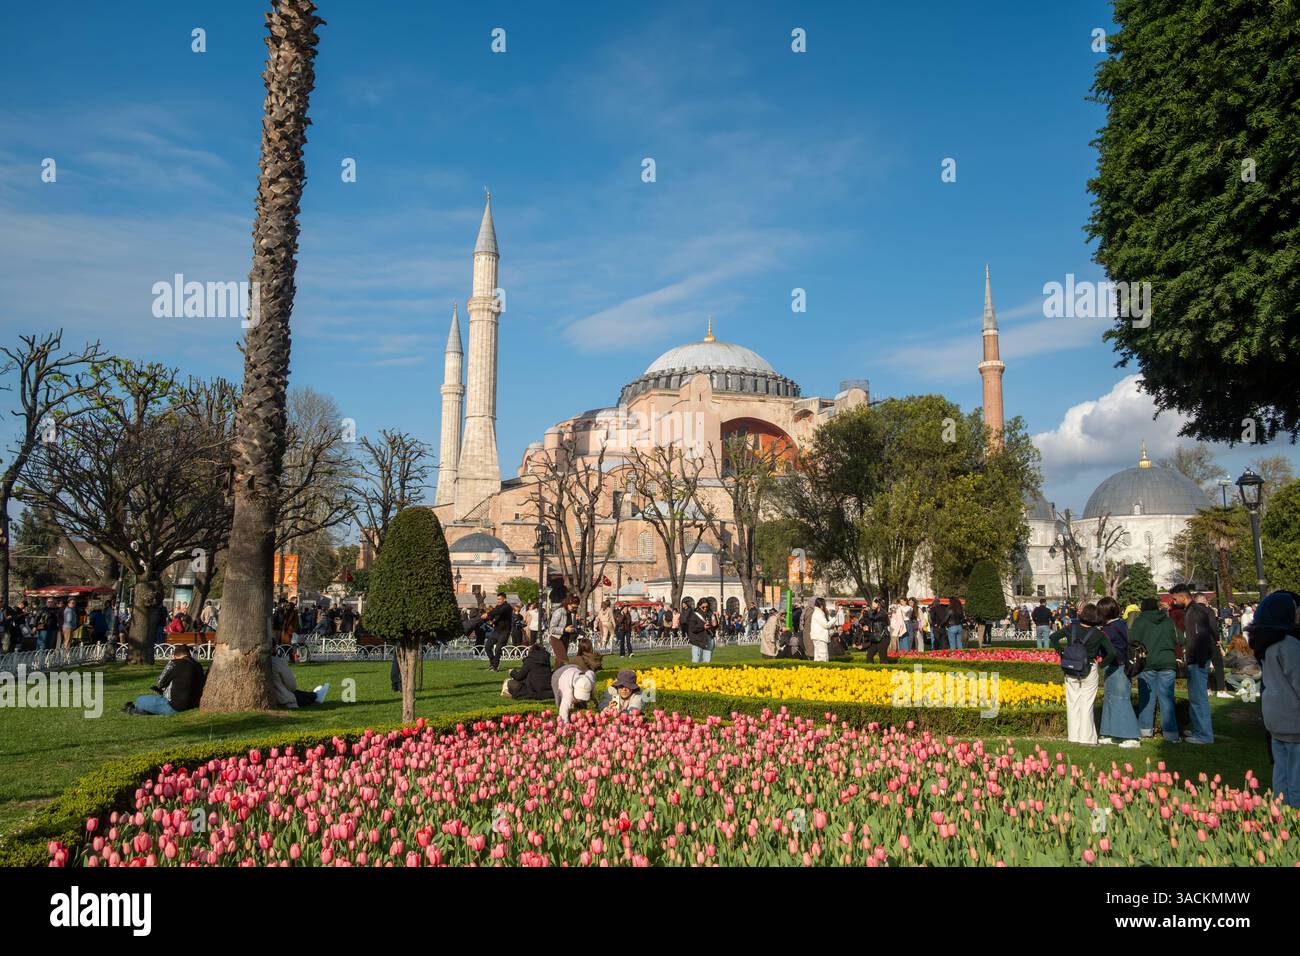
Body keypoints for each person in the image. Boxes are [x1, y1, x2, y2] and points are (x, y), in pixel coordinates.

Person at [1246, 590, 1300, 808]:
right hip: (1292, 715)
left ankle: (1281, 813)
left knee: (1282, 770)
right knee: (1296, 774)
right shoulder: (1288, 645)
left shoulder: (1265, 643)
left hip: (1274, 714)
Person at [1053, 602, 1116, 745]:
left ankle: (1073, 736)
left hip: (1071, 668)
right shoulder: (1098, 634)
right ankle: (1086, 738)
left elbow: (1053, 637)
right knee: (1086, 704)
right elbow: (1112, 652)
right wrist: (1101, 664)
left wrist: (1061, 652)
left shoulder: (1071, 628)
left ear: (1082, 615)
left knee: (1072, 702)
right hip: (1089, 668)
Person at [1129, 596, 1183, 742]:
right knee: (1167, 699)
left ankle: (1145, 730)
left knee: (1147, 698)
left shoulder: (1140, 621)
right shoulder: (1168, 621)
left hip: (1147, 663)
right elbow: (1181, 639)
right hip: (1167, 662)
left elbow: (1132, 641)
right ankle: (1171, 733)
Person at [1171, 584, 1214, 744]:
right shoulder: (1193, 611)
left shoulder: (1194, 612)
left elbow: (1200, 637)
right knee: (1195, 697)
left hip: (1198, 659)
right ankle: (1199, 730)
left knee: (1198, 698)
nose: (1173, 602)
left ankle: (1204, 734)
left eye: (1175, 598)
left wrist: (1197, 658)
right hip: (1196, 658)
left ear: (1182, 596)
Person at [1096, 596, 1141, 748]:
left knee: (1120, 699)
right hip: (1119, 666)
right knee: (1111, 699)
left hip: (1118, 666)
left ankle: (1131, 735)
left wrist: (1101, 664)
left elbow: (1110, 651)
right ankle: (1110, 731)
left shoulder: (1109, 630)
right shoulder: (1121, 624)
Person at [124, 644, 206, 716]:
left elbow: (159, 683)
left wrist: (170, 663)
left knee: (139, 700)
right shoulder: (198, 665)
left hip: (175, 706)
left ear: (175, 656)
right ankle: (141, 711)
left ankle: (139, 710)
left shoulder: (175, 663)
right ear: (188, 654)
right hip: (192, 704)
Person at [481, 591, 514, 672]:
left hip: (505, 631)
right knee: (487, 646)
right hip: (496, 631)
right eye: (497, 599)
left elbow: (498, 612)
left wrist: (487, 614)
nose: (498, 601)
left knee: (498, 648)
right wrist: (488, 618)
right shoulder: (497, 606)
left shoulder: (507, 607)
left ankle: (495, 667)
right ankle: (492, 664)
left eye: (500, 599)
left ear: (504, 599)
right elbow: (493, 614)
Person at [548, 594, 579, 664]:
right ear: (568, 603)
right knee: (564, 660)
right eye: (573, 607)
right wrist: (565, 629)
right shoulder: (559, 612)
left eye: (576, 607)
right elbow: (551, 629)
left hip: (566, 638)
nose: (574, 609)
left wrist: (574, 630)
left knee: (559, 661)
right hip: (557, 639)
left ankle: (555, 674)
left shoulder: (572, 613)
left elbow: (574, 627)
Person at [683, 597, 713, 663]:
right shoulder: (694, 615)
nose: (705, 608)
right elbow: (692, 628)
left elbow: (713, 627)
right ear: (699, 606)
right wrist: (703, 627)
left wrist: (715, 621)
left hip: (707, 639)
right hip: (697, 640)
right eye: (703, 607)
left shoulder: (709, 614)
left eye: (707, 607)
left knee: (707, 661)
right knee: (696, 661)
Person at [863, 597, 889, 663]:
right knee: (869, 655)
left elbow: (875, 618)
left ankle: (884, 672)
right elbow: (865, 621)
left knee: (882, 658)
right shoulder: (872, 612)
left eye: (874, 603)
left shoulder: (883, 613)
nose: (872, 605)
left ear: (879, 604)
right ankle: (870, 671)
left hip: (883, 637)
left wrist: (868, 612)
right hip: (875, 637)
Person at [807, 597, 832, 662]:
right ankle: (823, 671)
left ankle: (817, 670)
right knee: (823, 656)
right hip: (820, 637)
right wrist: (834, 619)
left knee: (818, 656)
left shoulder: (816, 612)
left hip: (817, 637)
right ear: (821, 605)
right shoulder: (819, 613)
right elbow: (826, 625)